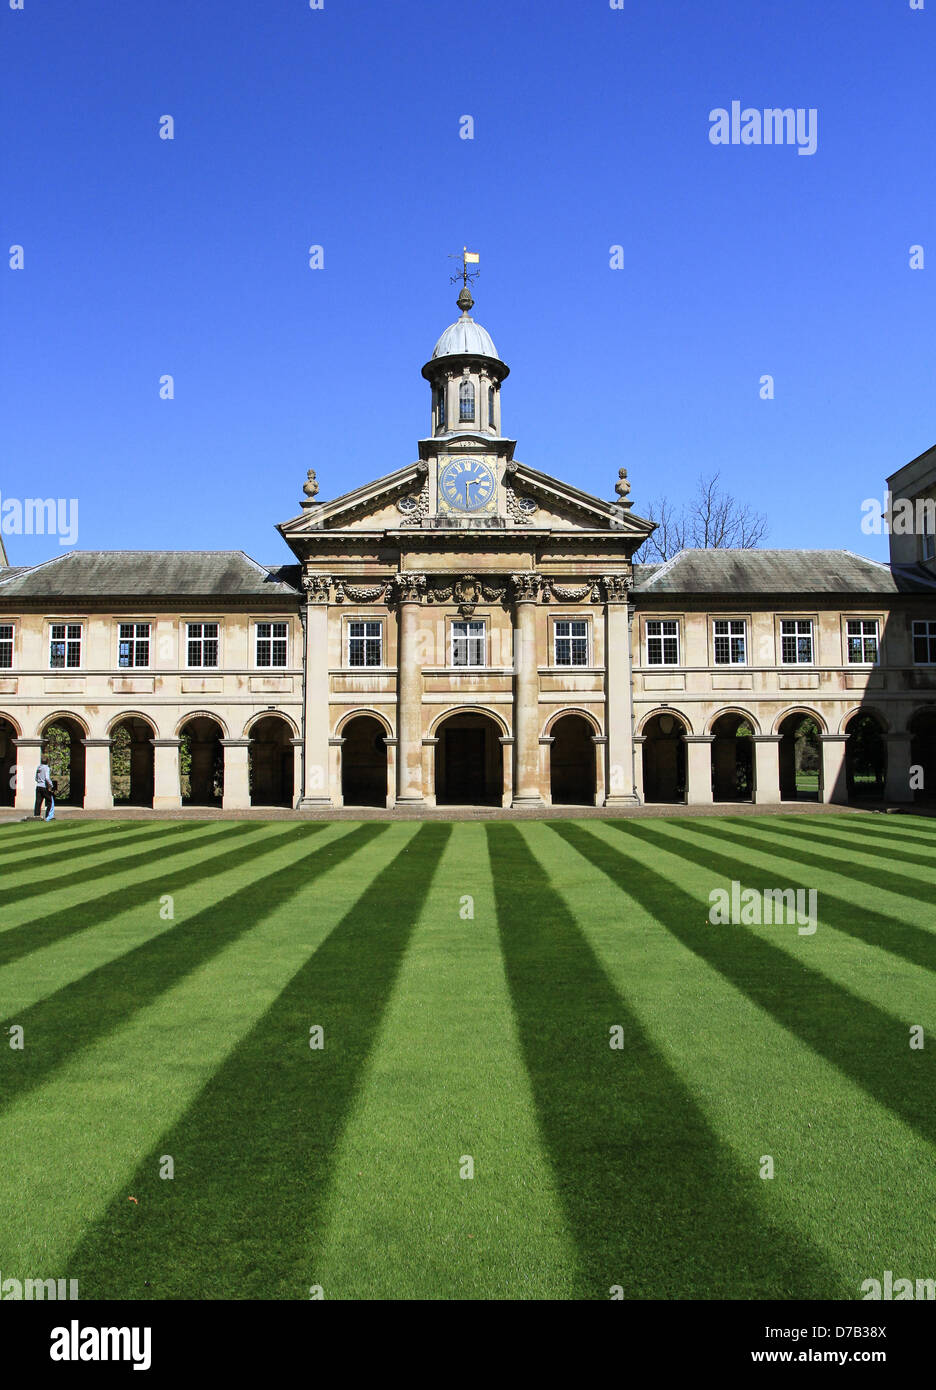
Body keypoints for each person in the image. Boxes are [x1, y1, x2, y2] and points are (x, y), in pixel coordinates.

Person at [34, 755, 54, 819]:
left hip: (38, 786)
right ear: (47, 761)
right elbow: (47, 778)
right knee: (50, 801)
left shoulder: (38, 767)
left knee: (38, 802)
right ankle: (48, 816)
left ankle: (36, 816)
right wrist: (51, 785)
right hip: (44, 787)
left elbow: (36, 778)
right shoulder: (46, 768)